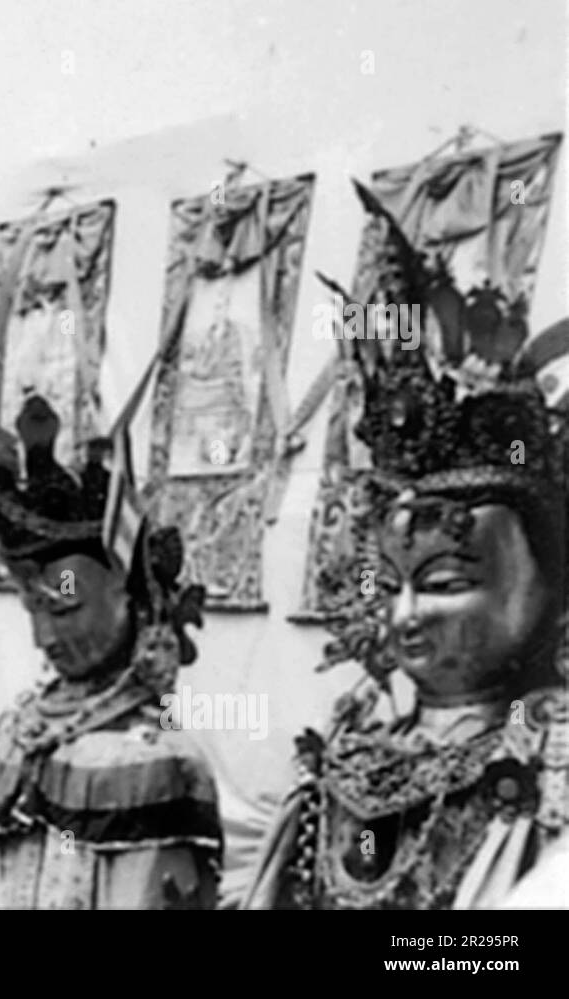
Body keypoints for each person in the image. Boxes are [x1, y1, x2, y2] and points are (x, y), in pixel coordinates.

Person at [242, 187, 569, 909]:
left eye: (447, 581)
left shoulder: (553, 774)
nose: (406, 616)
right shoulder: (351, 755)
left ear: (549, 587)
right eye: (390, 584)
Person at [0, 398, 223, 909]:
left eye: (64, 609)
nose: (44, 639)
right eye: (31, 610)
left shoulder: (156, 759)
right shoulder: (13, 733)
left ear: (128, 594)